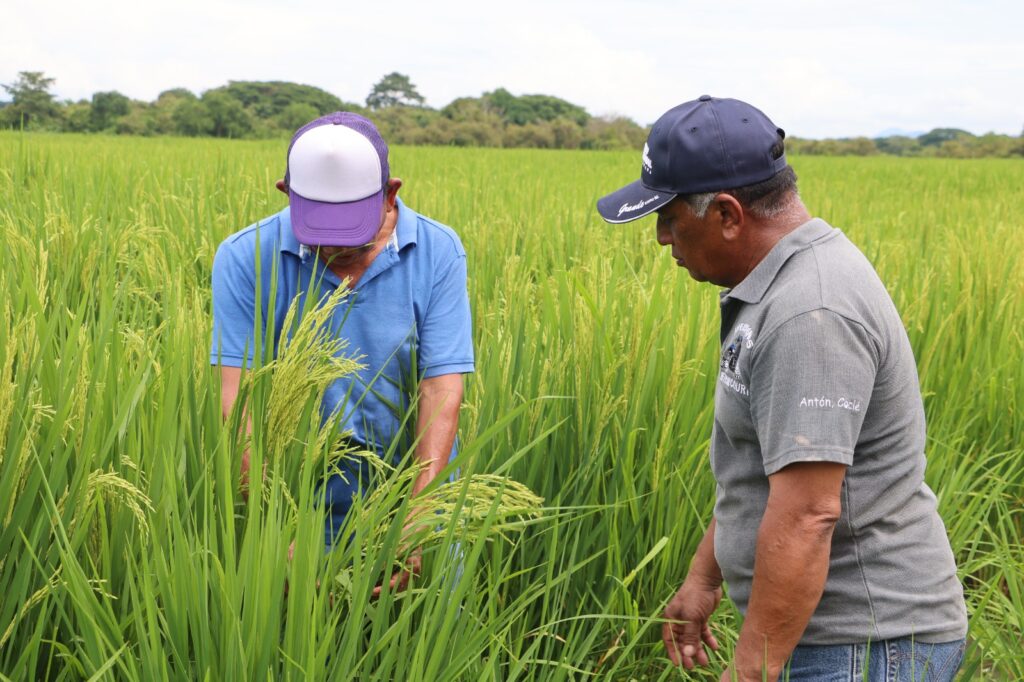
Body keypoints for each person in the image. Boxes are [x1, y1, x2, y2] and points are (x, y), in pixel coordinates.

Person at [596, 96, 967, 681]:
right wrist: (704, 576)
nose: (662, 237)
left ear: (726, 213)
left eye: (669, 217)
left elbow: (806, 514)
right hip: (833, 640)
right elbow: (770, 469)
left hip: (863, 646)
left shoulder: (809, 311)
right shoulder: (775, 286)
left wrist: (750, 671)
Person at [211, 112, 474, 585]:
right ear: (287, 195)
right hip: (299, 498)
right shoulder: (243, 256)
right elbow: (238, 402)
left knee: (426, 647)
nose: (333, 250)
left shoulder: (437, 250)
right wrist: (277, 528)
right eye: (319, 234)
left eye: (350, 236)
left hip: (414, 490)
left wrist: (420, 518)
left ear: (390, 193)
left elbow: (441, 390)